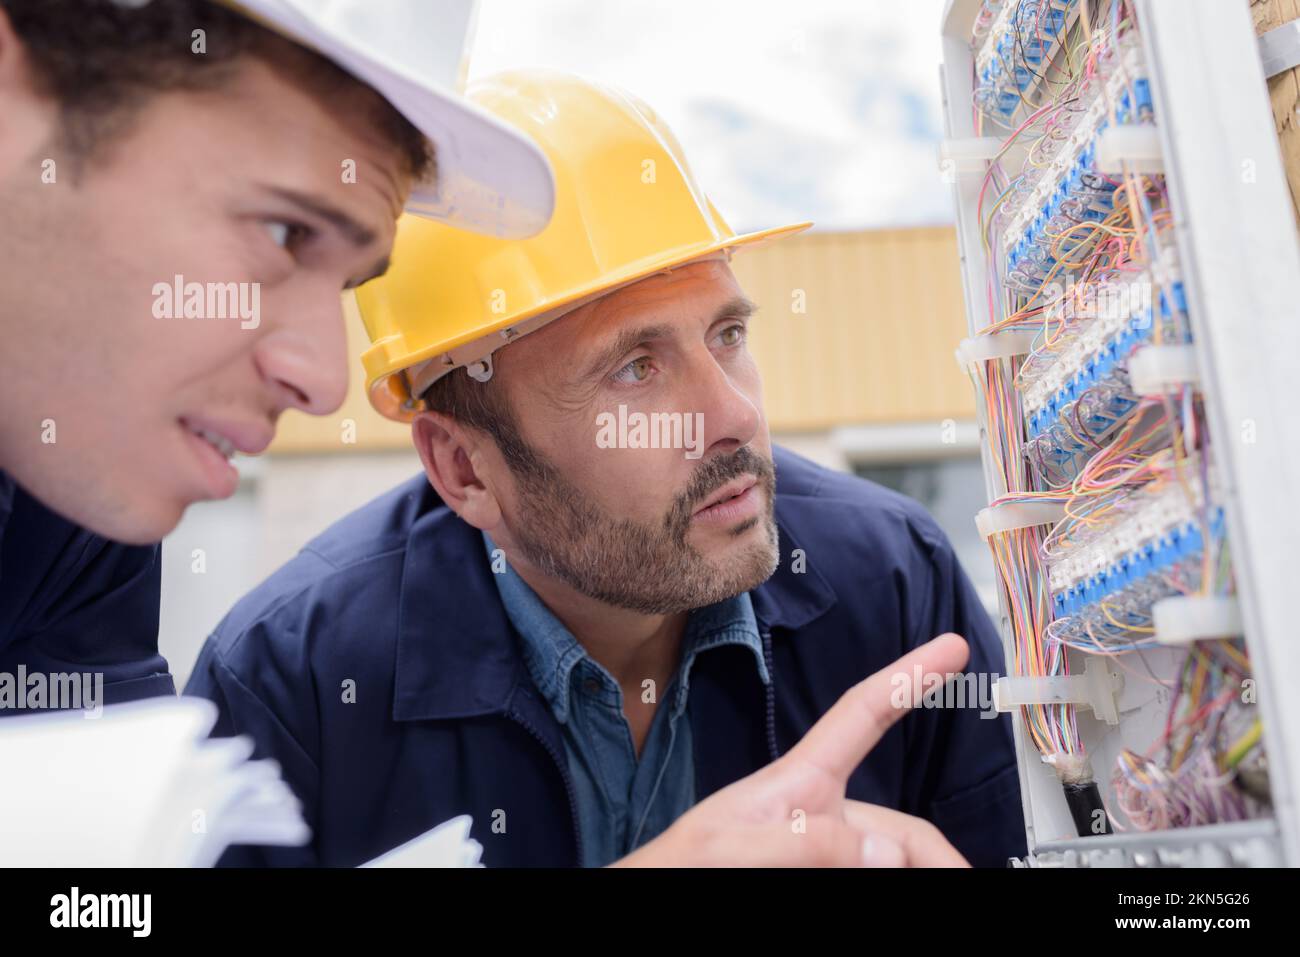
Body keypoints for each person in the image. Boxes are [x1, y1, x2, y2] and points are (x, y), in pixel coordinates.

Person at [185, 71, 1027, 867]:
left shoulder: (896, 586)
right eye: (635, 368)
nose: (734, 417)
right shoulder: (290, 684)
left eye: (728, 336)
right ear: (463, 467)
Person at [0, 0, 553, 704]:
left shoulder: (71, 469)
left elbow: (86, 788)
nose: (325, 382)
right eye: (284, 232)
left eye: (347, 282)